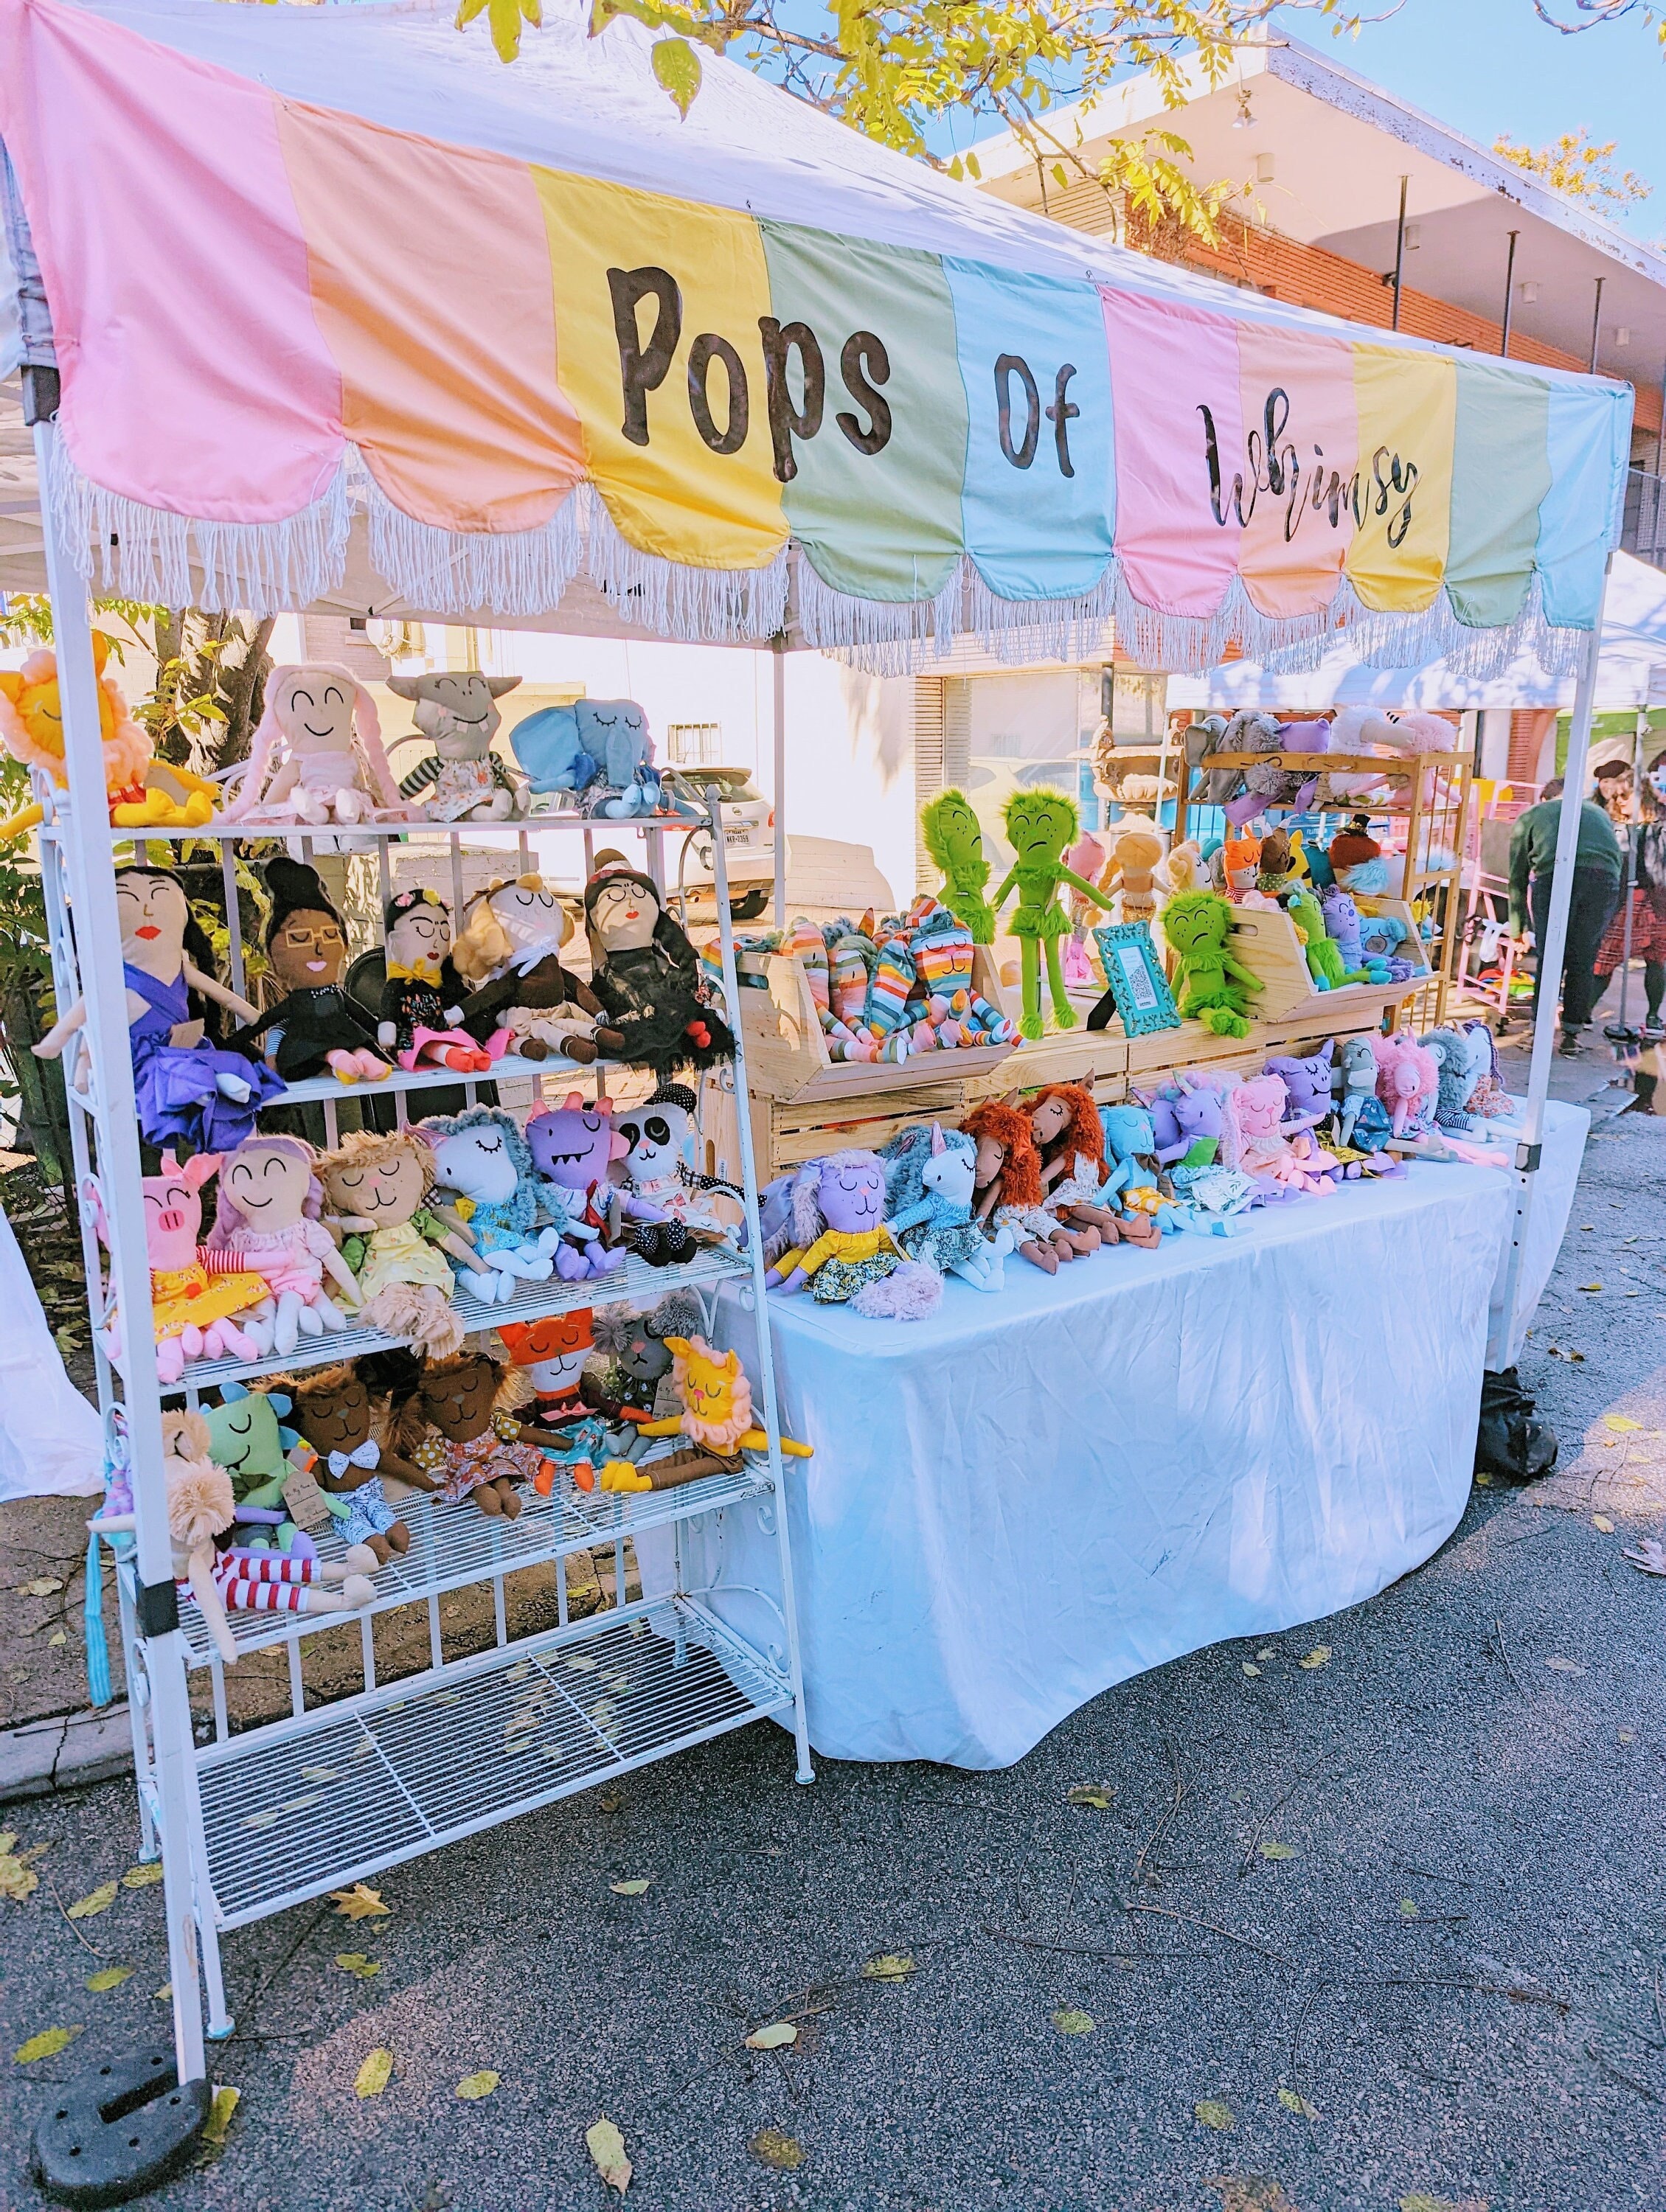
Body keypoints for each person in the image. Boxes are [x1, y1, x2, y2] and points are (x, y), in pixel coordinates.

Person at [1507, 775, 1622, 1056]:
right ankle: (1571, 1036)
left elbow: (1517, 877)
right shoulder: (1598, 812)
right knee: (1583, 958)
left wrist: (1518, 928)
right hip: (1604, 882)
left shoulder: (1533, 814)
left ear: (1544, 798)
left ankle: (1538, 1034)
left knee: (1551, 957)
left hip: (1555, 876)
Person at [1592, 750, 1666, 1042]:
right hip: (1625, 901)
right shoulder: (1616, 824)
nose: (1619, 802)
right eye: (1617, 797)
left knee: (1658, 960)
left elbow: (1656, 867)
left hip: (1656, 901)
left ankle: (1653, 1015)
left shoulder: (1658, 824)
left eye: (1625, 796)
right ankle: (1580, 1013)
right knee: (1605, 959)